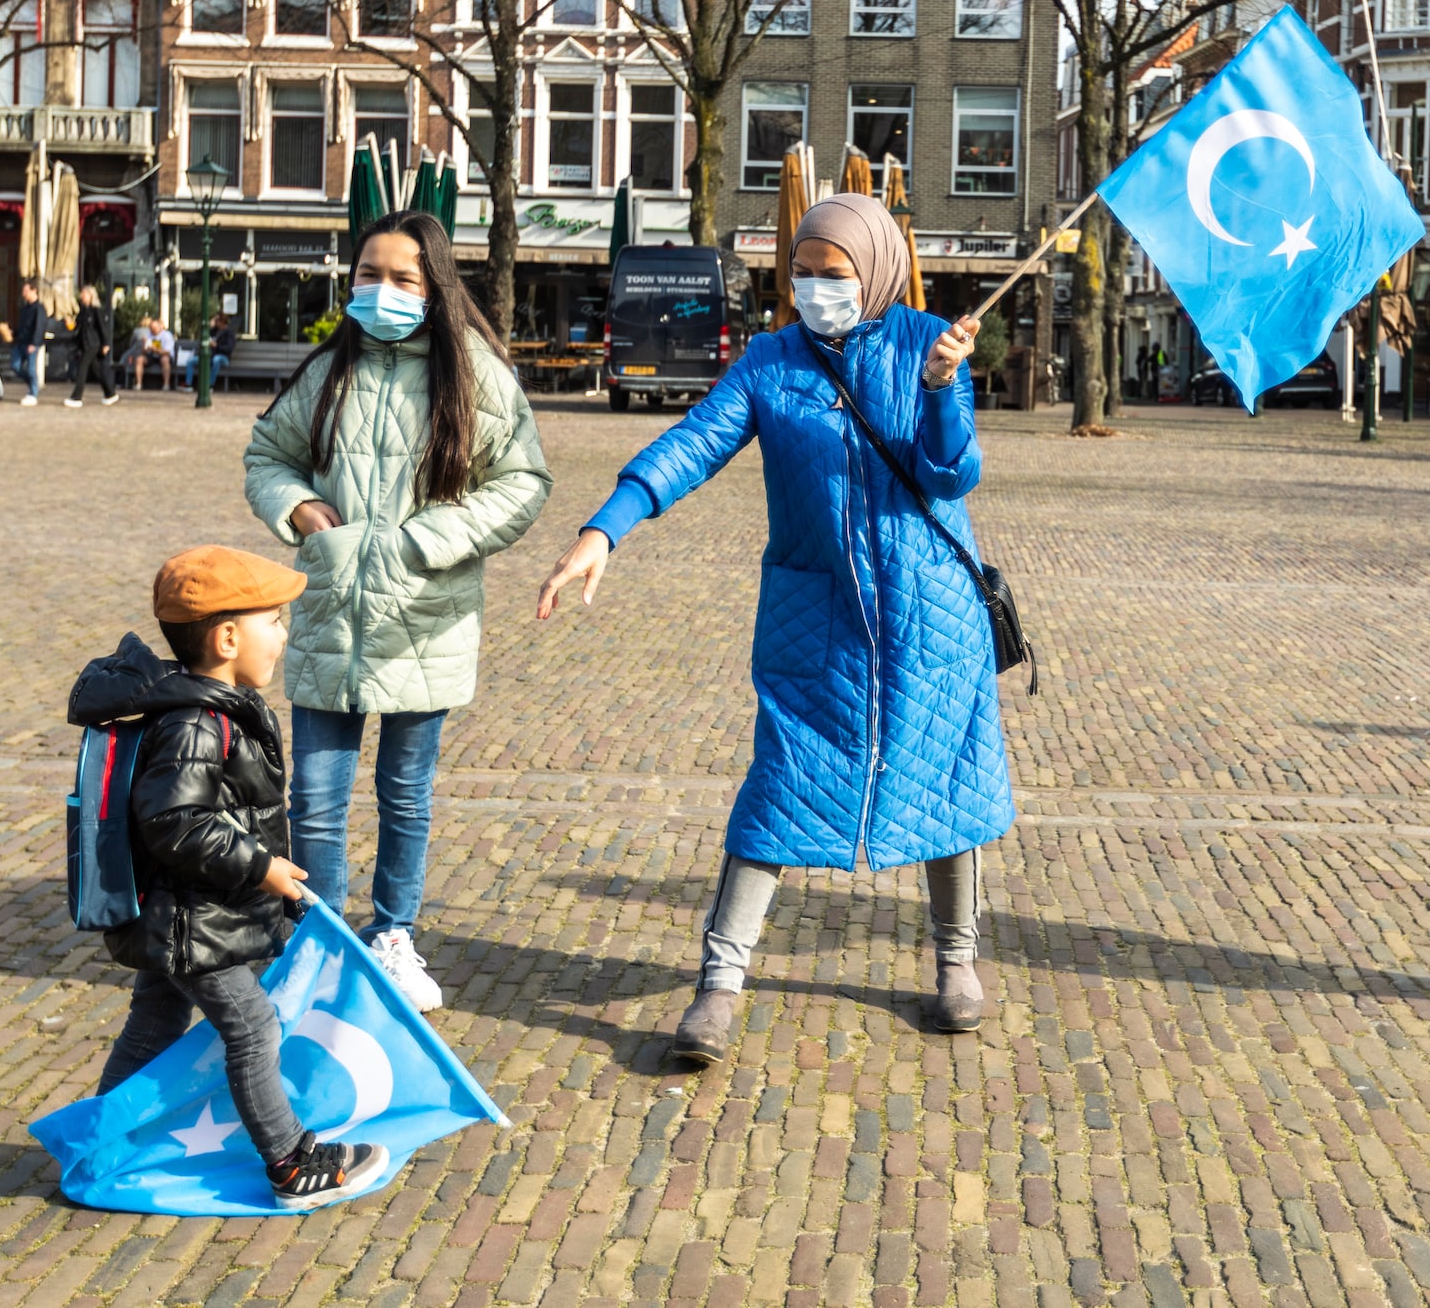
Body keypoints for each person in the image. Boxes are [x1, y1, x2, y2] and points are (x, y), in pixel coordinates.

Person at [536, 193, 1011, 1063]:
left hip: (931, 612)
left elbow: (952, 476)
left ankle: (957, 961)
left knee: (946, 784)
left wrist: (941, 390)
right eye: (803, 272)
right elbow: (692, 442)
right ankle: (718, 983)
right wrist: (605, 526)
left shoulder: (926, 342)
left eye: (834, 275)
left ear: (875, 272)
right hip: (813, 618)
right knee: (778, 789)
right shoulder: (769, 361)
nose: (815, 288)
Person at [244, 211, 551, 1012]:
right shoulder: (328, 370)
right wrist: (304, 510)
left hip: (425, 615)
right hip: (329, 615)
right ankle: (319, 941)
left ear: (435, 286)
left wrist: (430, 538)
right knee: (313, 793)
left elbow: (522, 482)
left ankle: (392, 935)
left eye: (402, 277)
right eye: (368, 275)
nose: (382, 291)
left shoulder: (473, 373)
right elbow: (267, 455)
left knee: (405, 790)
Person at [70, 545, 387, 1209]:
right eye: (275, 619)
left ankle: (98, 1142)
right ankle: (290, 1159)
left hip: (186, 912)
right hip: (190, 918)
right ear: (227, 637)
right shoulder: (195, 722)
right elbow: (175, 822)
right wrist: (262, 865)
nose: (284, 633)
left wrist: (271, 877)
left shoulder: (219, 707)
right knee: (252, 1026)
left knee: (154, 1020)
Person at [64, 284, 119, 408]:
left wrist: (106, 343)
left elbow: (102, 328)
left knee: (82, 368)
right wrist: (69, 325)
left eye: (84, 294)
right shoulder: (83, 311)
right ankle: (110, 393)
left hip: (93, 344)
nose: (82, 296)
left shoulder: (96, 310)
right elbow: (78, 327)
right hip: (84, 344)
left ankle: (76, 397)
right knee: (97, 370)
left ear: (91, 295)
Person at [11, 279, 45, 406]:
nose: (23, 293)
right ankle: (32, 384)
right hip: (21, 342)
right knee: (15, 366)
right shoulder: (24, 309)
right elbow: (22, 327)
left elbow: (40, 327)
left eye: (26, 291)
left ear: (34, 290)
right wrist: (13, 333)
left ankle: (33, 393)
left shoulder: (39, 308)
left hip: (31, 344)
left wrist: (35, 343)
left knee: (31, 370)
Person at [132, 317, 177, 392]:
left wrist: (155, 349)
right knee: (139, 359)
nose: (153, 330)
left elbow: (167, 352)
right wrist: (145, 345)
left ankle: (166, 384)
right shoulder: (149, 335)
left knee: (164, 359)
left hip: (164, 356)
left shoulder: (167, 335)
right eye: (151, 328)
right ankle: (139, 384)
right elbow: (144, 352)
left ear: (160, 327)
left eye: (154, 328)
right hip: (152, 356)